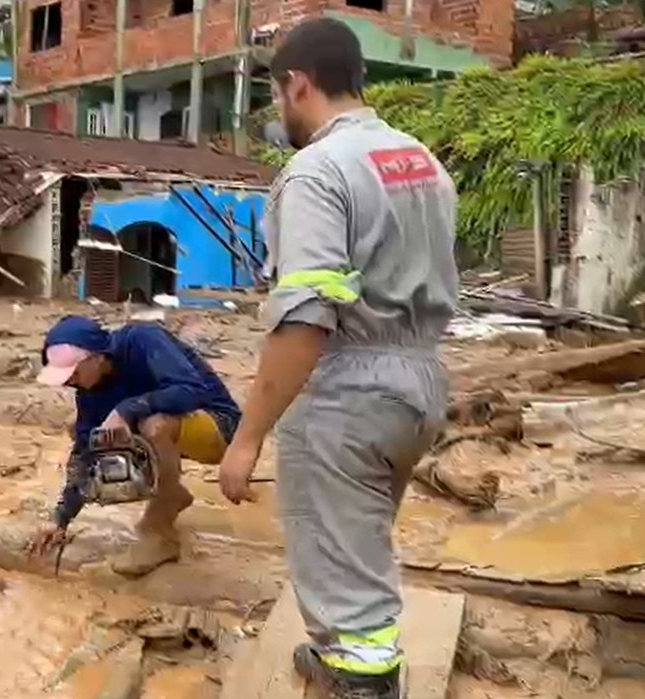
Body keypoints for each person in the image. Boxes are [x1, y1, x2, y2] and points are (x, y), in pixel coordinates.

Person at [217, 18, 457, 699]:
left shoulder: (317, 171)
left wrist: (248, 436)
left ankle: (363, 677)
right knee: (362, 546)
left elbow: (305, 319)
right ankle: (349, 653)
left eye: (275, 96)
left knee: (340, 565)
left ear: (297, 84)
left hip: (347, 393)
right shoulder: (421, 161)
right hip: (419, 380)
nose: (276, 113)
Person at [26, 315, 241, 577]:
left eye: (74, 374)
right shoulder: (90, 392)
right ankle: (171, 492)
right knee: (86, 431)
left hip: (220, 428)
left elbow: (191, 391)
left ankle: (159, 532)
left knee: (155, 424)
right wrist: (60, 519)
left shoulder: (143, 339)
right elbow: (85, 453)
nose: (69, 382)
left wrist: (126, 409)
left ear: (97, 357)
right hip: (172, 435)